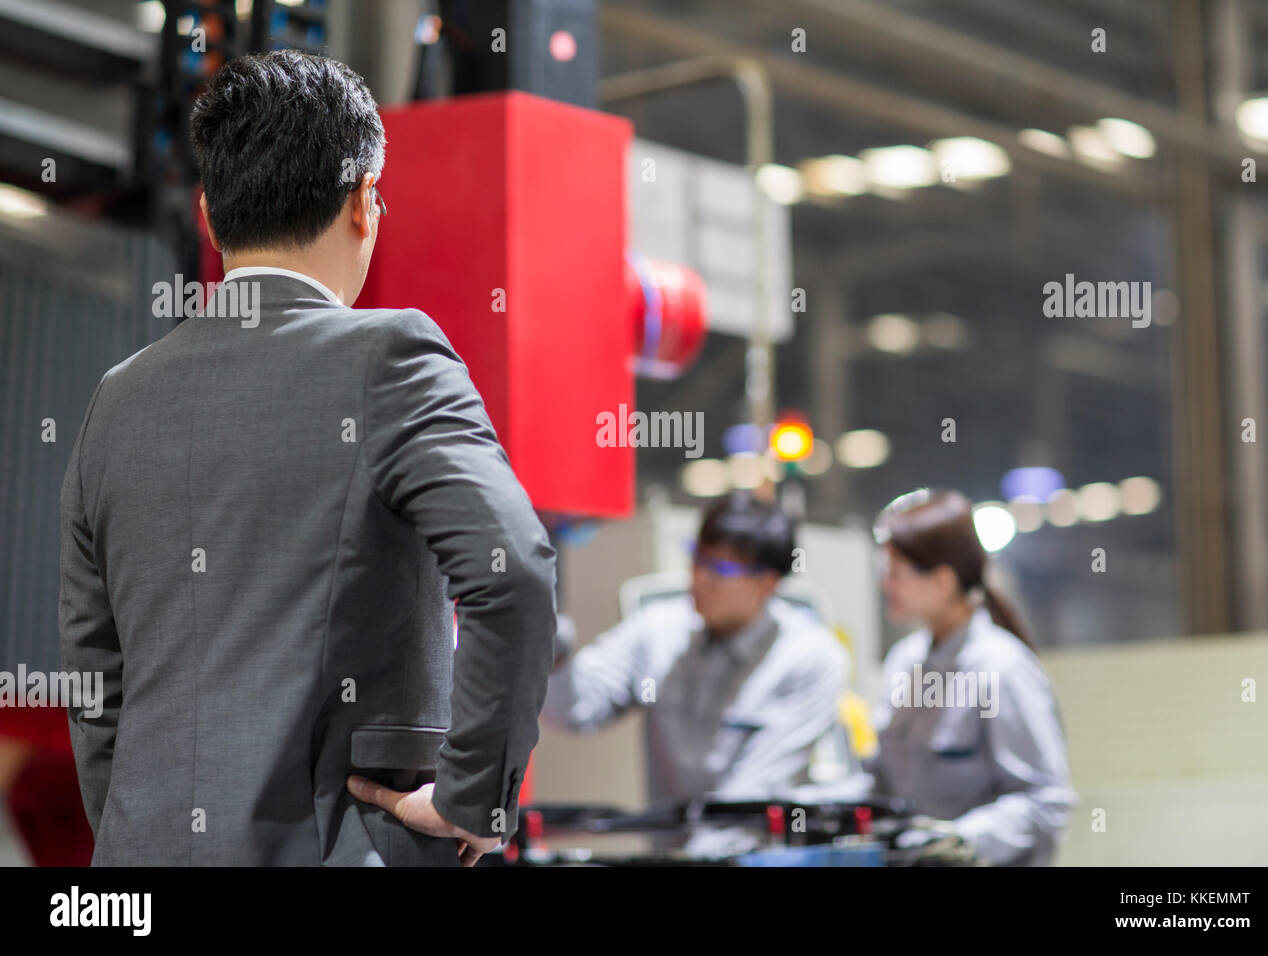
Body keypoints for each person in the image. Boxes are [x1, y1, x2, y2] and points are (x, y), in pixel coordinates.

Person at [58, 50, 556, 867]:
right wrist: (474, 798)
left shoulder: (117, 397)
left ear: (210, 217)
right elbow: (512, 572)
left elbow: (93, 678)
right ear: (365, 202)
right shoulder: (392, 355)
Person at [543, 492, 849, 845]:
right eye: (696, 557)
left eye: (720, 569)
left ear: (767, 583)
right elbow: (573, 709)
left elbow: (748, 803)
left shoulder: (809, 658)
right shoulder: (657, 631)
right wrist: (548, 641)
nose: (698, 577)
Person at [866, 488, 1075, 865]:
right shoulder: (904, 663)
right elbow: (879, 783)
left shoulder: (1001, 668)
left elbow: (1046, 801)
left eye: (894, 572)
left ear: (943, 581)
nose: (885, 584)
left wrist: (962, 842)